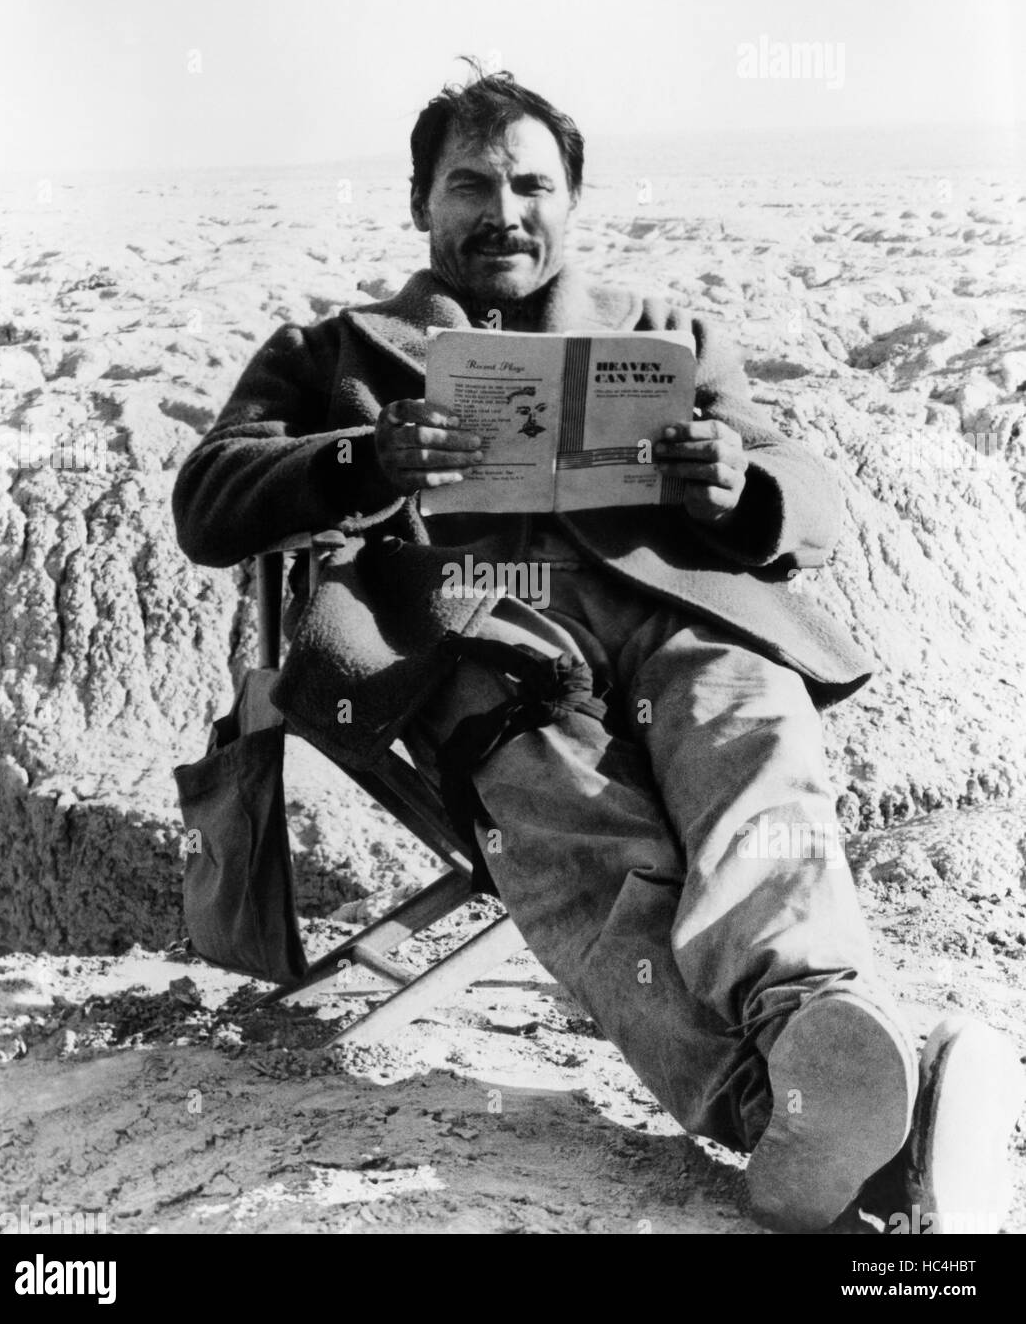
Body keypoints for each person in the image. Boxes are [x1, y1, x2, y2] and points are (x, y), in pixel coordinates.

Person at [172, 65, 1022, 1233]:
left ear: (573, 199)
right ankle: (789, 1107)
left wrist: (736, 484)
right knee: (585, 834)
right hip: (481, 626)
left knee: (751, 752)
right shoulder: (336, 353)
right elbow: (206, 501)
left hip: (679, 615)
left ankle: (816, 1032)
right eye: (469, 183)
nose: (502, 211)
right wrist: (363, 463)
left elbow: (813, 505)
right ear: (418, 200)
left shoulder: (663, 336)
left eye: (531, 183)